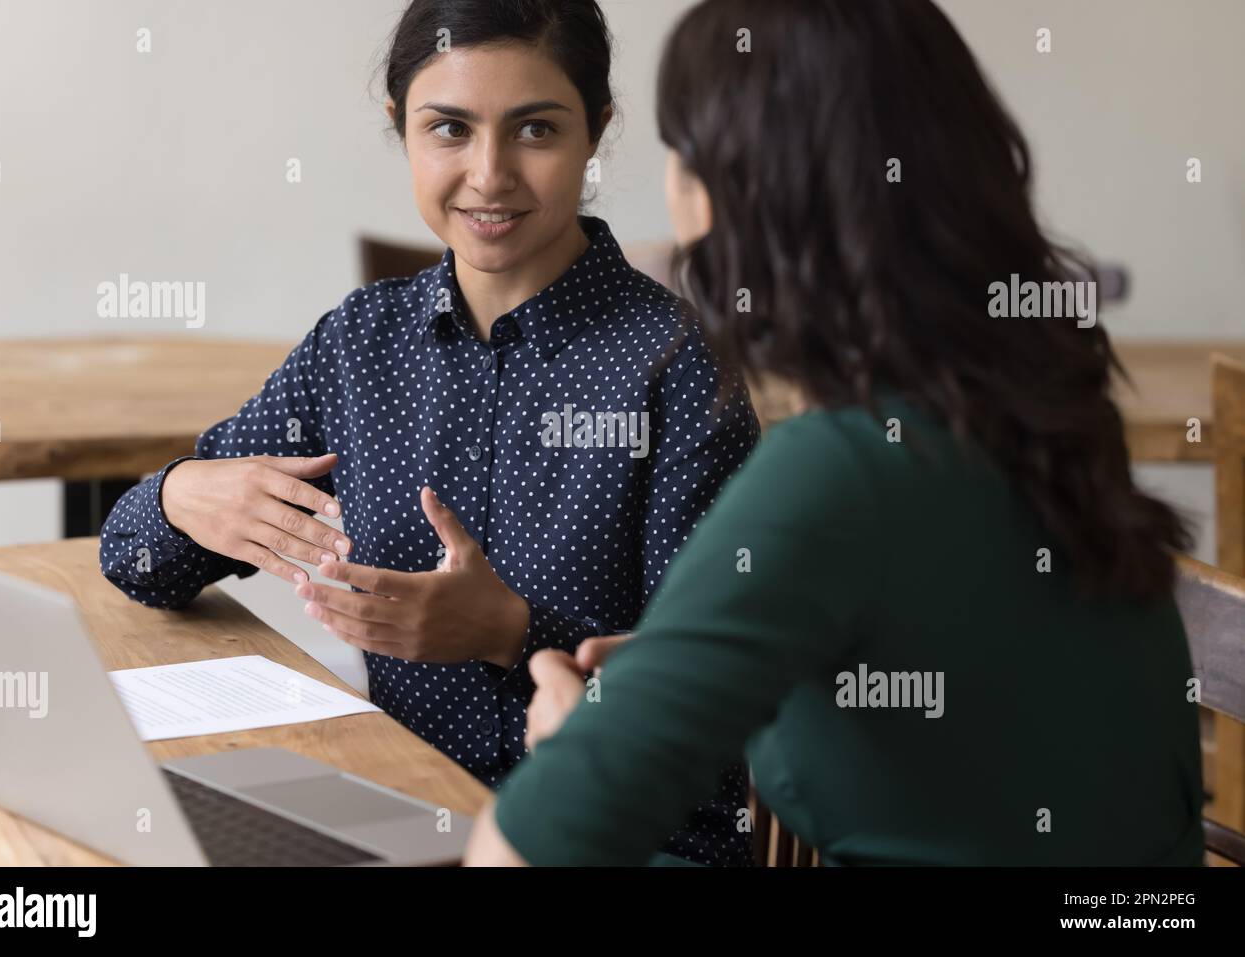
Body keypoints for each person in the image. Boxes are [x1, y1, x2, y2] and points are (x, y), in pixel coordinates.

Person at [465, 0, 1205, 866]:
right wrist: (716, 658)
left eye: (679, 148)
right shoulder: (1046, 411)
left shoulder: (834, 469)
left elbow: (515, 854)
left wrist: (570, 745)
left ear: (728, 195)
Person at [100, 0, 759, 867]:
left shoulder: (681, 368)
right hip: (409, 818)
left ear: (595, 130)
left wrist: (510, 632)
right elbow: (134, 562)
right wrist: (180, 494)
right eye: (449, 129)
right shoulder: (360, 342)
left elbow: (719, 700)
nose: (489, 175)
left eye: (535, 130)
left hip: (628, 842)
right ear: (401, 130)